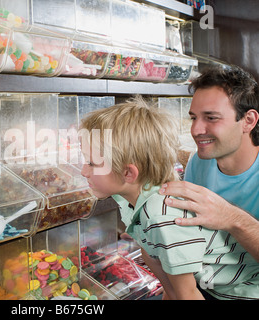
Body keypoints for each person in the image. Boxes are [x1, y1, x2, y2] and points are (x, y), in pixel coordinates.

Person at [80, 96, 259, 300]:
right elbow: (168, 282)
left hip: (241, 292)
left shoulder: (162, 216)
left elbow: (188, 295)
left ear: (128, 173)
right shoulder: (136, 203)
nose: (84, 171)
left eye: (91, 163)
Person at [158, 65, 259, 262]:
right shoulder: (199, 163)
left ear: (248, 120)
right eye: (194, 118)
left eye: (211, 118)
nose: (195, 130)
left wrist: (232, 218)